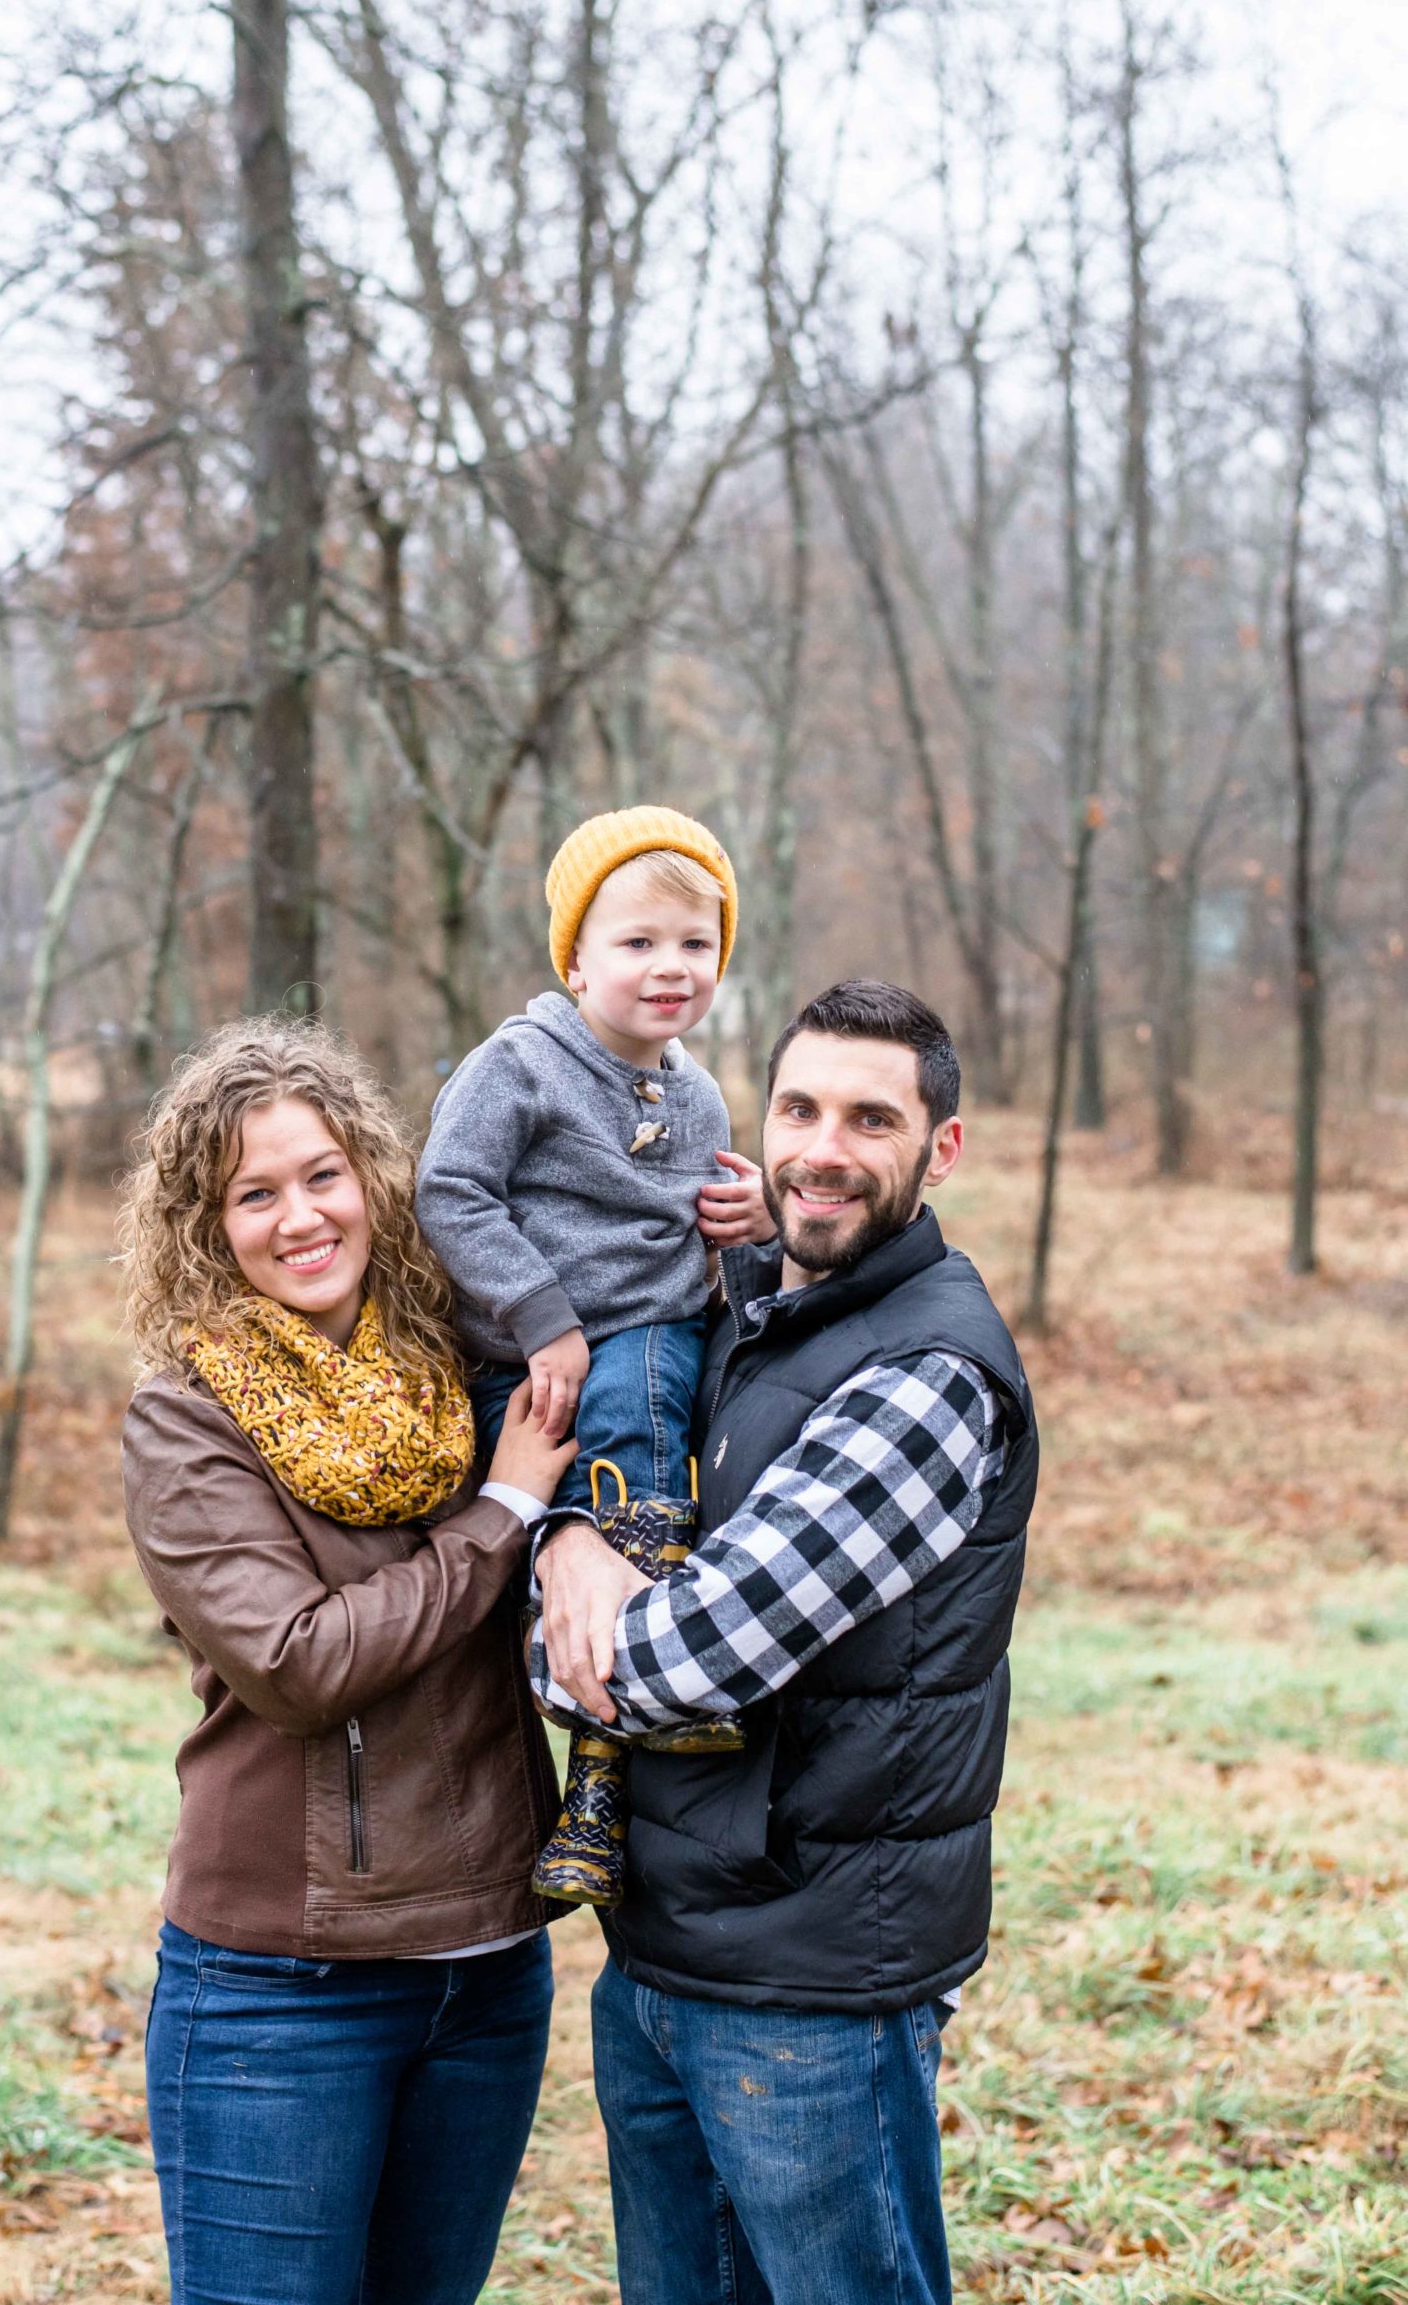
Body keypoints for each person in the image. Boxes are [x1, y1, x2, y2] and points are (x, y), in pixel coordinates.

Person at [533, 980, 1040, 2305]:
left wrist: (530, 1615)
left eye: (870, 1118)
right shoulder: (754, 1313)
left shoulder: (924, 1377)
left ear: (940, 1149)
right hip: (666, 1951)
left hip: (808, 1993)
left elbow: (678, 1662)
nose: (819, 1146)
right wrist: (566, 1546)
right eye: (796, 1107)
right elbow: (602, 1509)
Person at [119, 1018, 578, 2305]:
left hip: (486, 1961)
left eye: (323, 1174)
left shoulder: (461, 1362)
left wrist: (728, 1211)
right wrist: (501, 1515)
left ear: (372, 1178)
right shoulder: (188, 1414)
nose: (300, 1216)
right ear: (209, 1228)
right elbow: (299, 1661)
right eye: (253, 1194)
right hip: (281, 1984)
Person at [416, 805, 774, 1905]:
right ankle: (626, 1725)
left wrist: (753, 1217)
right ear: (575, 959)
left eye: (695, 944)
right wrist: (543, 1315)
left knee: (652, 1512)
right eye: (637, 942)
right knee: (613, 1501)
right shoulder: (520, 1064)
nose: (671, 967)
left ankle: (606, 1779)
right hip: (547, 1363)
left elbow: (702, 1221)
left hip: (664, 1347)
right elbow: (449, 1189)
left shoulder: (700, 1088)